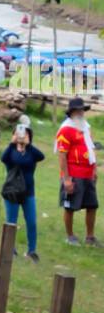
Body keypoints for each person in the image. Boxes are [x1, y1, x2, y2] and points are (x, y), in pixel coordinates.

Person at [56, 96, 98, 246]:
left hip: (88, 174)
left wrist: (94, 169)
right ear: (72, 112)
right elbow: (62, 155)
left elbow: (91, 149)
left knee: (92, 205)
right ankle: (70, 236)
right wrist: (66, 179)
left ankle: (90, 237)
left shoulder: (86, 128)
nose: (81, 113)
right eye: (78, 110)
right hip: (73, 174)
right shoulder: (66, 130)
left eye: (82, 110)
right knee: (70, 207)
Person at [0, 118, 44, 260]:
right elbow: (3, 158)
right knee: (11, 222)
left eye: (25, 133)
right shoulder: (11, 151)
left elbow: (41, 156)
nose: (21, 136)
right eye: (19, 133)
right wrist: (11, 143)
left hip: (28, 192)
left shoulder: (31, 152)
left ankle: (31, 250)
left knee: (31, 222)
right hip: (12, 191)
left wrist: (28, 145)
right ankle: (10, 249)